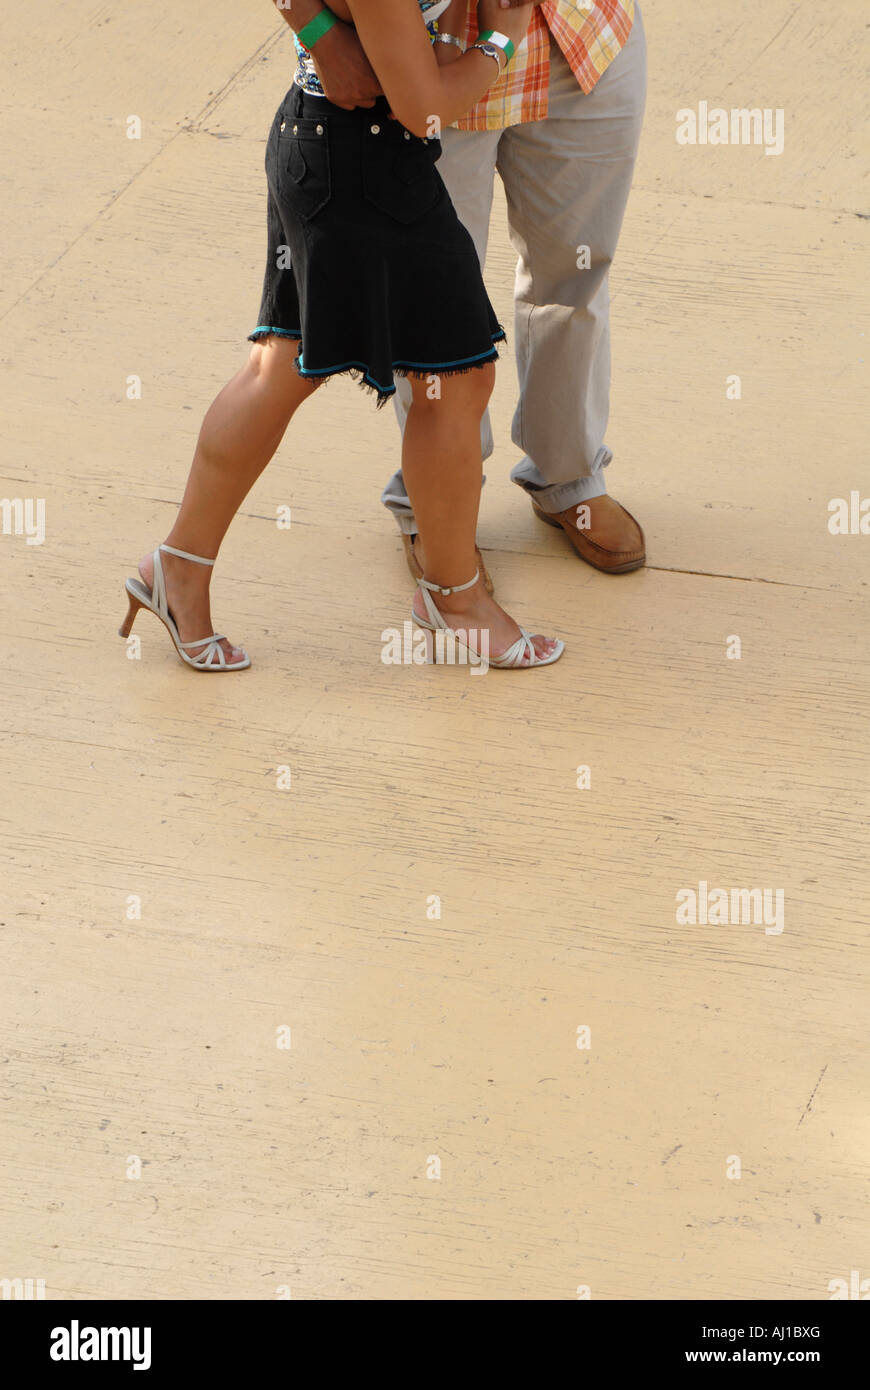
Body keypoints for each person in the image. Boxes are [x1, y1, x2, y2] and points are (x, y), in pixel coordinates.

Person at [120, 0, 563, 671]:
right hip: (364, 164)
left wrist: (435, 48)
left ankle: (175, 569)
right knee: (454, 376)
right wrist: (501, 40)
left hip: (328, 146)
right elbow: (426, 110)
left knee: (282, 366)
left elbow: (412, 68)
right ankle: (456, 599)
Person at [291, 0, 647, 589]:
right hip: (425, 63)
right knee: (429, 312)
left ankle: (571, 479)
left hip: (581, 35)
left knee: (576, 276)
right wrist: (317, 32)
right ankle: (434, 508)